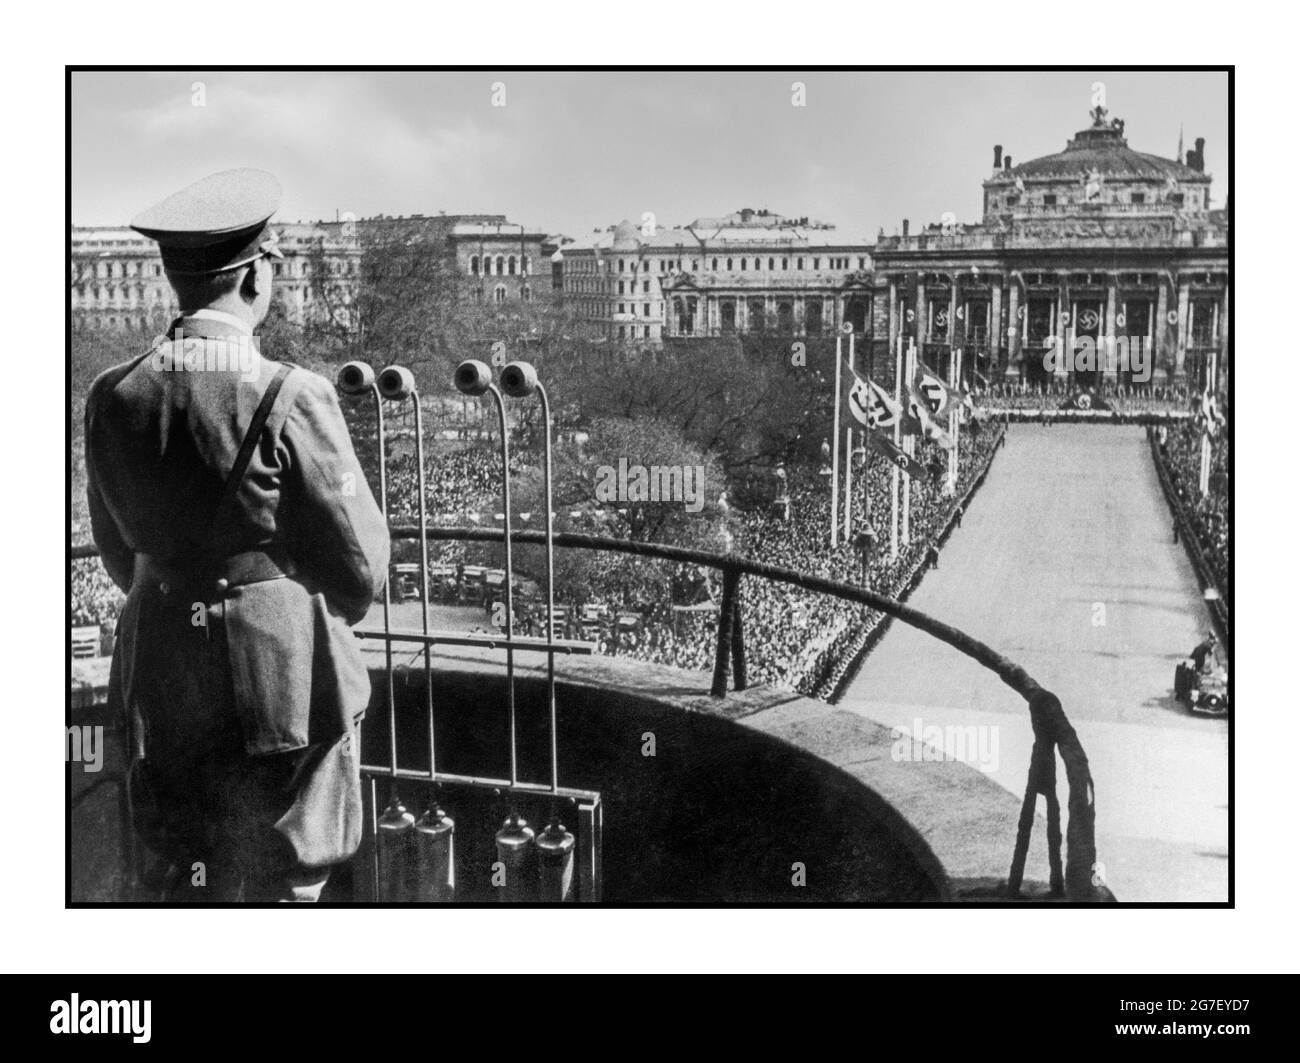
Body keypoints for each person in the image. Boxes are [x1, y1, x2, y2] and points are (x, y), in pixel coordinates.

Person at [85, 169, 390, 902]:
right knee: (285, 878)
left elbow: (119, 554)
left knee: (182, 873)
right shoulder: (294, 394)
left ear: (170, 275)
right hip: (281, 682)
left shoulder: (111, 395)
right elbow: (362, 569)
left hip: (159, 672)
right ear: (257, 277)